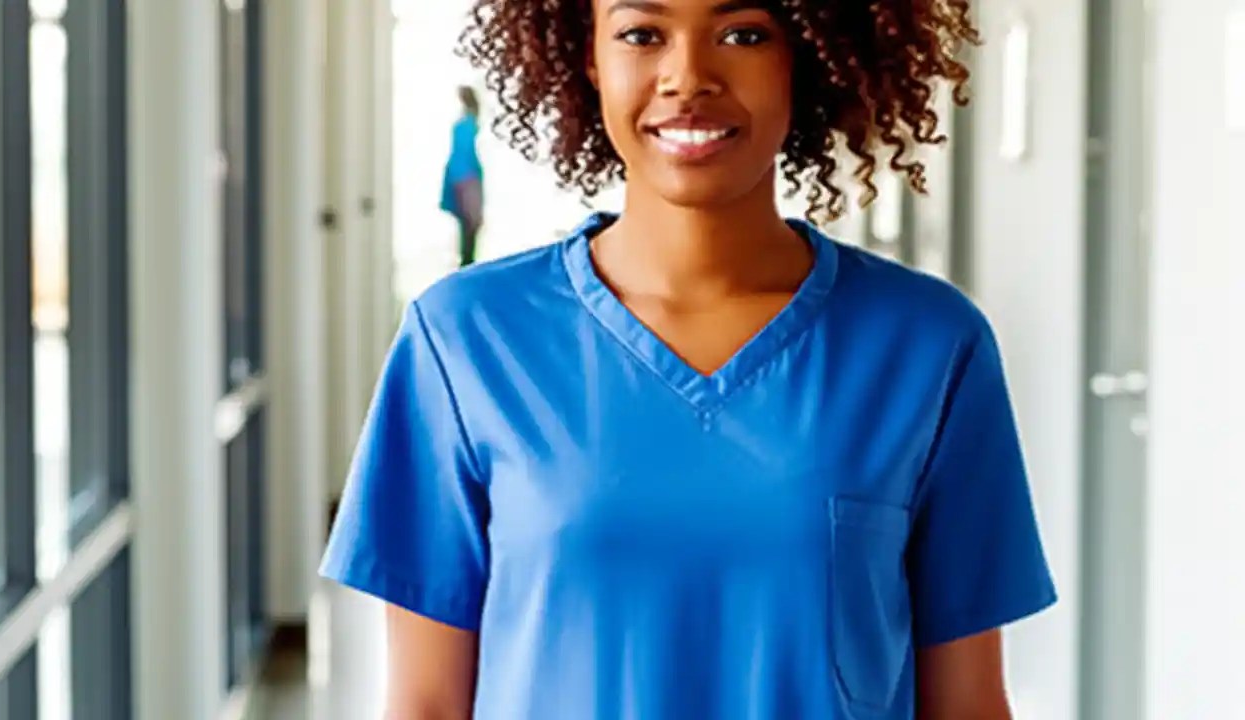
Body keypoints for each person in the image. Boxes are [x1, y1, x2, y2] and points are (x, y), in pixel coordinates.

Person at [322, 0, 1057, 717]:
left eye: (743, 32)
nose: (688, 75)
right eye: (643, 32)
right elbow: (423, 703)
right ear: (590, 57)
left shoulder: (927, 345)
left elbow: (967, 703)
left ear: (806, 52)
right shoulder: (465, 340)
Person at [440, 85, 484, 267]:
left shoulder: (466, 124)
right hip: (465, 179)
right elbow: (463, 156)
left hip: (465, 177)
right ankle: (466, 263)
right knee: (469, 225)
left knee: (469, 226)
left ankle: (467, 262)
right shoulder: (466, 125)